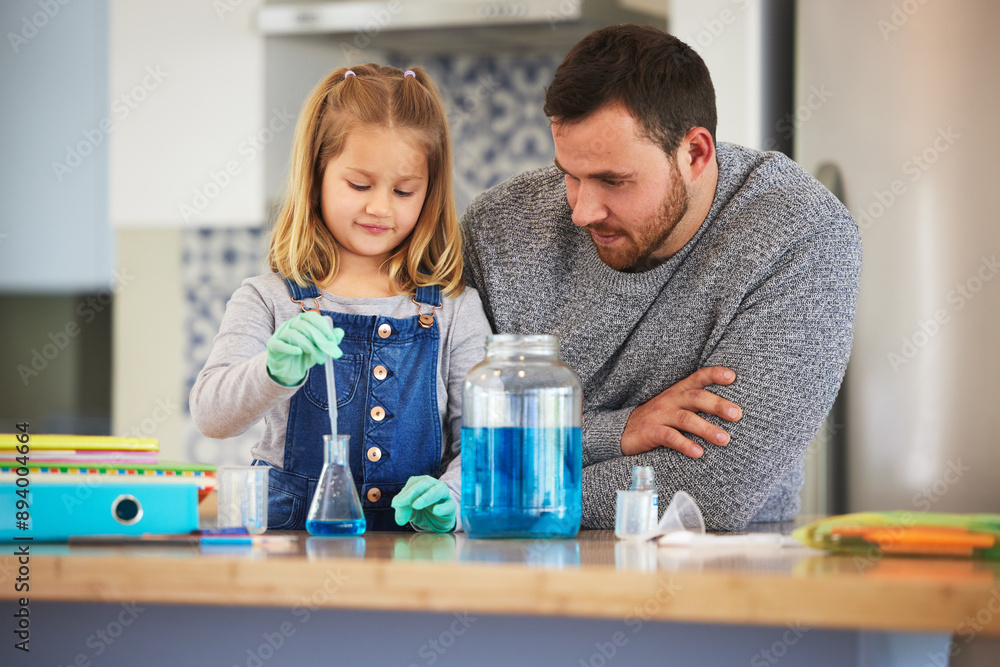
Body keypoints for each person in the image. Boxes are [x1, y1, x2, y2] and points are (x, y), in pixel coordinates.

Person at [461, 25, 862, 531]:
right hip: (503, 569)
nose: (582, 211)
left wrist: (508, 485)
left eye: (613, 180)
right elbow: (455, 448)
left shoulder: (798, 234)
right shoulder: (499, 226)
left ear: (694, 154)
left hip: (717, 582)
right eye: (569, 173)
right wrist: (620, 431)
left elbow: (714, 490)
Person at [191, 64, 491, 533]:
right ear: (316, 175)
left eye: (404, 190)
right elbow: (211, 415)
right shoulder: (268, 299)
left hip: (413, 556)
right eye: (359, 185)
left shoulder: (454, 309)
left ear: (429, 192)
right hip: (286, 553)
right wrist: (271, 371)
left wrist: (453, 495)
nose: (381, 207)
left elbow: (483, 440)